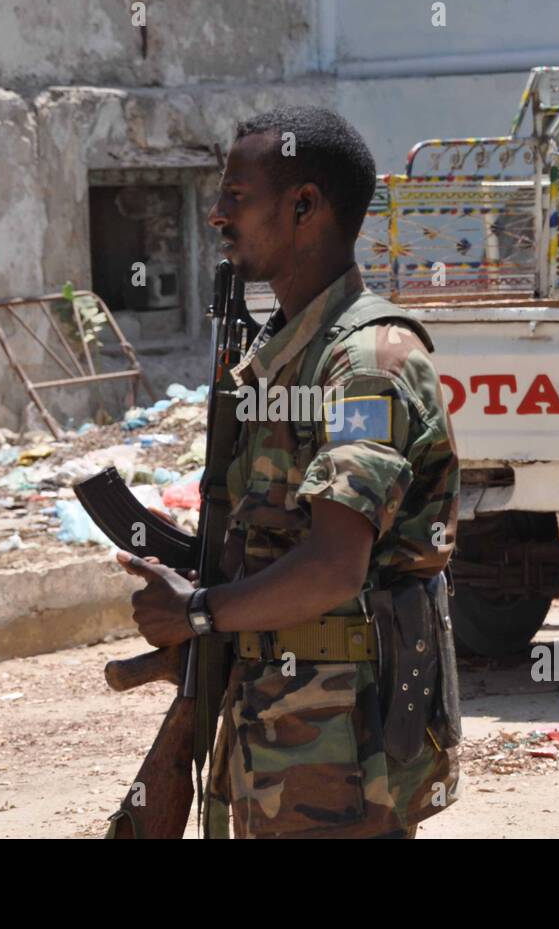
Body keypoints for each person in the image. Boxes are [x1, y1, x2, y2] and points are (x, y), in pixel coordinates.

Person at [116, 105, 460, 839]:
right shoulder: (284, 354)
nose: (215, 217)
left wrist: (199, 608)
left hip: (342, 749)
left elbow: (336, 566)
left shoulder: (368, 362)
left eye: (236, 196)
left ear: (304, 205)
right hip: (281, 726)